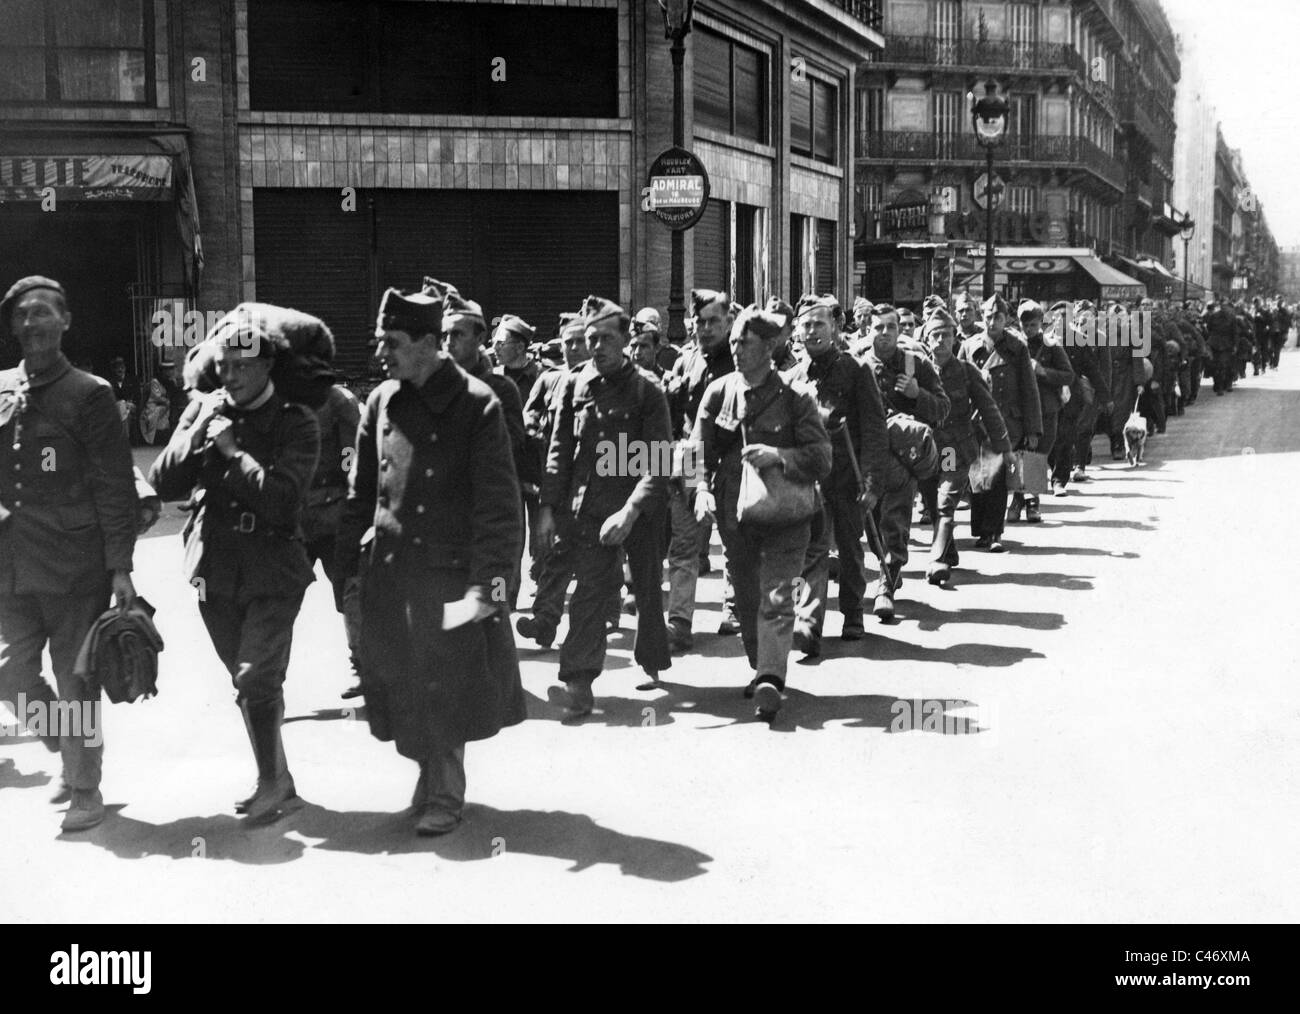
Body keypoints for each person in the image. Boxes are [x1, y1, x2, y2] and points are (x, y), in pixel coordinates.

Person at [337, 287, 525, 836]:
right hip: (390, 573)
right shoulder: (381, 403)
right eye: (379, 343)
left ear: (426, 343)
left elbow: (498, 507)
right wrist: (346, 568)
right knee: (401, 682)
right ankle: (426, 773)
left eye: (391, 343)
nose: (381, 355)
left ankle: (446, 788)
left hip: (448, 575)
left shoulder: (477, 404)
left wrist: (489, 588)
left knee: (445, 682)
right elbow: (361, 493)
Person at [150, 310, 321, 826]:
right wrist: (197, 429)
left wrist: (233, 453)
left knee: (255, 676)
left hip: (272, 569)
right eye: (222, 365)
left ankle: (270, 783)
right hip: (214, 568)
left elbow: (284, 502)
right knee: (245, 680)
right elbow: (163, 483)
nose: (229, 376)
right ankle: (280, 778)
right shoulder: (205, 410)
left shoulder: (296, 421)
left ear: (267, 365)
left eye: (241, 366)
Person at [0, 276, 138, 833]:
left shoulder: (91, 393)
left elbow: (114, 484)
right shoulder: (2, 388)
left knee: (73, 677)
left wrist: (121, 565)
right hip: (10, 563)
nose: (30, 325)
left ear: (65, 322)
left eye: (41, 314)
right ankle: (67, 745)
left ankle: (85, 785)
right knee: (10, 675)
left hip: (75, 563)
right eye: (20, 317)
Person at [694, 306, 831, 721]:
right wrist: (700, 488)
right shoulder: (718, 392)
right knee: (748, 595)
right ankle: (762, 667)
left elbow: (821, 458)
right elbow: (697, 449)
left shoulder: (796, 398)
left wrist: (780, 455)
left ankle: (772, 677)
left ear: (770, 348)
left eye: (745, 343)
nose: (736, 349)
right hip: (735, 516)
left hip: (787, 515)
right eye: (733, 342)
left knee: (776, 596)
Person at [538, 296, 673, 716]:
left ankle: (651, 659)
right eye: (591, 338)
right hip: (593, 511)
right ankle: (579, 682)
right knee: (591, 594)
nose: (597, 347)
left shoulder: (648, 390)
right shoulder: (575, 385)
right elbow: (559, 449)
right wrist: (548, 507)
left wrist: (631, 511)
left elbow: (658, 460)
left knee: (646, 589)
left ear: (625, 339)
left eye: (606, 338)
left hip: (641, 509)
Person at [788, 295, 890, 654]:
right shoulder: (793, 376)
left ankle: (851, 613)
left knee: (849, 547)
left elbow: (876, 431)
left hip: (848, 477)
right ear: (797, 331)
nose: (812, 331)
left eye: (819, 323)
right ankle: (807, 621)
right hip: (808, 480)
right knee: (806, 552)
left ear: (834, 327)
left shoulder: (856, 370)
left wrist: (873, 482)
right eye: (806, 325)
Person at [437, 285, 529, 609]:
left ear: (479, 339)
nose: (448, 343)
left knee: (496, 597)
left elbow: (516, 441)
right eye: (444, 335)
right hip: (447, 513)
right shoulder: (432, 389)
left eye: (457, 335)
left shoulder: (500, 389)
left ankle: (500, 618)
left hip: (493, 506)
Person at [858, 302, 949, 618]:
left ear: (899, 330)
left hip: (902, 461)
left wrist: (916, 395)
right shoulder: (856, 364)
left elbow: (942, 408)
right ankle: (886, 570)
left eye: (891, 327)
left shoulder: (916, 364)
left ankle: (887, 583)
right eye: (878, 327)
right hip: (866, 461)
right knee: (873, 528)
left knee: (894, 523)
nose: (885, 333)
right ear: (867, 330)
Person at [663, 290, 736, 651]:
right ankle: (679, 621)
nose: (705, 329)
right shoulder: (686, 362)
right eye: (700, 322)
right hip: (690, 461)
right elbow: (674, 418)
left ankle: (734, 607)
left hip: (730, 461)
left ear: (729, 323)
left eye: (713, 321)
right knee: (683, 546)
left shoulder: (742, 362)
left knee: (735, 541)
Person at [919, 310, 1010, 584]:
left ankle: (937, 560)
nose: (940, 341)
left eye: (945, 335)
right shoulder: (918, 372)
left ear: (954, 338)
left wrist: (1003, 446)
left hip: (952, 450)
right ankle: (949, 549)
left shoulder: (966, 372)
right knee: (932, 504)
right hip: (925, 450)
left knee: (945, 502)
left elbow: (989, 409)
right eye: (934, 335)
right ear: (926, 339)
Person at [517, 316, 592, 648]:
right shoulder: (550, 381)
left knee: (602, 564)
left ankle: (610, 616)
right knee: (555, 554)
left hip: (601, 489)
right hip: (561, 485)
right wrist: (532, 429)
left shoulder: (611, 382)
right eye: (568, 343)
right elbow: (529, 418)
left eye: (579, 342)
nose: (573, 349)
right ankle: (545, 621)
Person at [959, 294, 1041, 553]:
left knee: (996, 480)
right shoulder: (970, 346)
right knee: (977, 479)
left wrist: (1033, 429)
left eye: (998, 317)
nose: (992, 321)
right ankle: (982, 531)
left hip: (1006, 423)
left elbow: (1029, 389)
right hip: (975, 423)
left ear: (1006, 319)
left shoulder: (1017, 347)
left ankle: (994, 531)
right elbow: (958, 386)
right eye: (988, 315)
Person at [302, 381, 363, 699]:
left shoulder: (339, 401)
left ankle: (363, 667)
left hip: (333, 513)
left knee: (350, 590)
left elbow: (352, 458)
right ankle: (266, 680)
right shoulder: (279, 396)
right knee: (277, 599)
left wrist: (354, 510)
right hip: (294, 515)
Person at [1013, 301, 1073, 522]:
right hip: (1019, 409)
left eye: (1033, 325)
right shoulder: (1013, 344)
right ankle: (1018, 499)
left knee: (1037, 457)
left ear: (1040, 323)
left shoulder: (1051, 345)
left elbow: (1068, 375)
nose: (1028, 329)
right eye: (1024, 325)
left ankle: (1032, 503)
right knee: (1019, 456)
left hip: (1046, 409)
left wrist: (1043, 371)